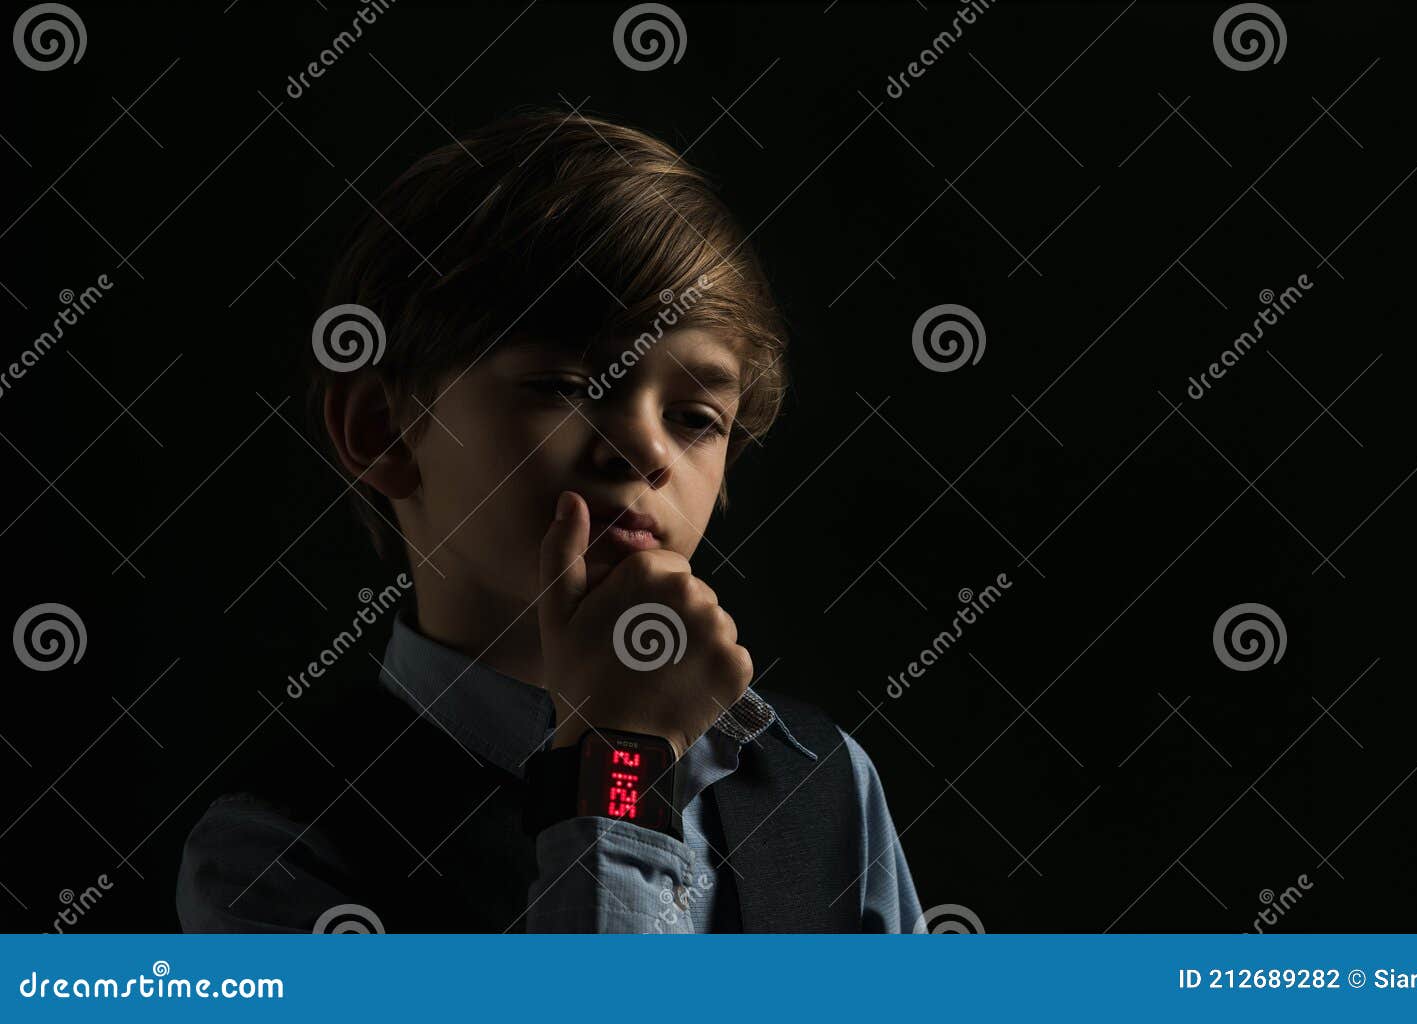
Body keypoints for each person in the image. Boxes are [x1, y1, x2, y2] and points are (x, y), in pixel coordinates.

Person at [176, 109, 921, 933]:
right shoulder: (280, 850)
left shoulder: (826, 781)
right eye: (566, 385)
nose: (642, 447)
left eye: (696, 417)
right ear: (382, 433)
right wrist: (618, 762)